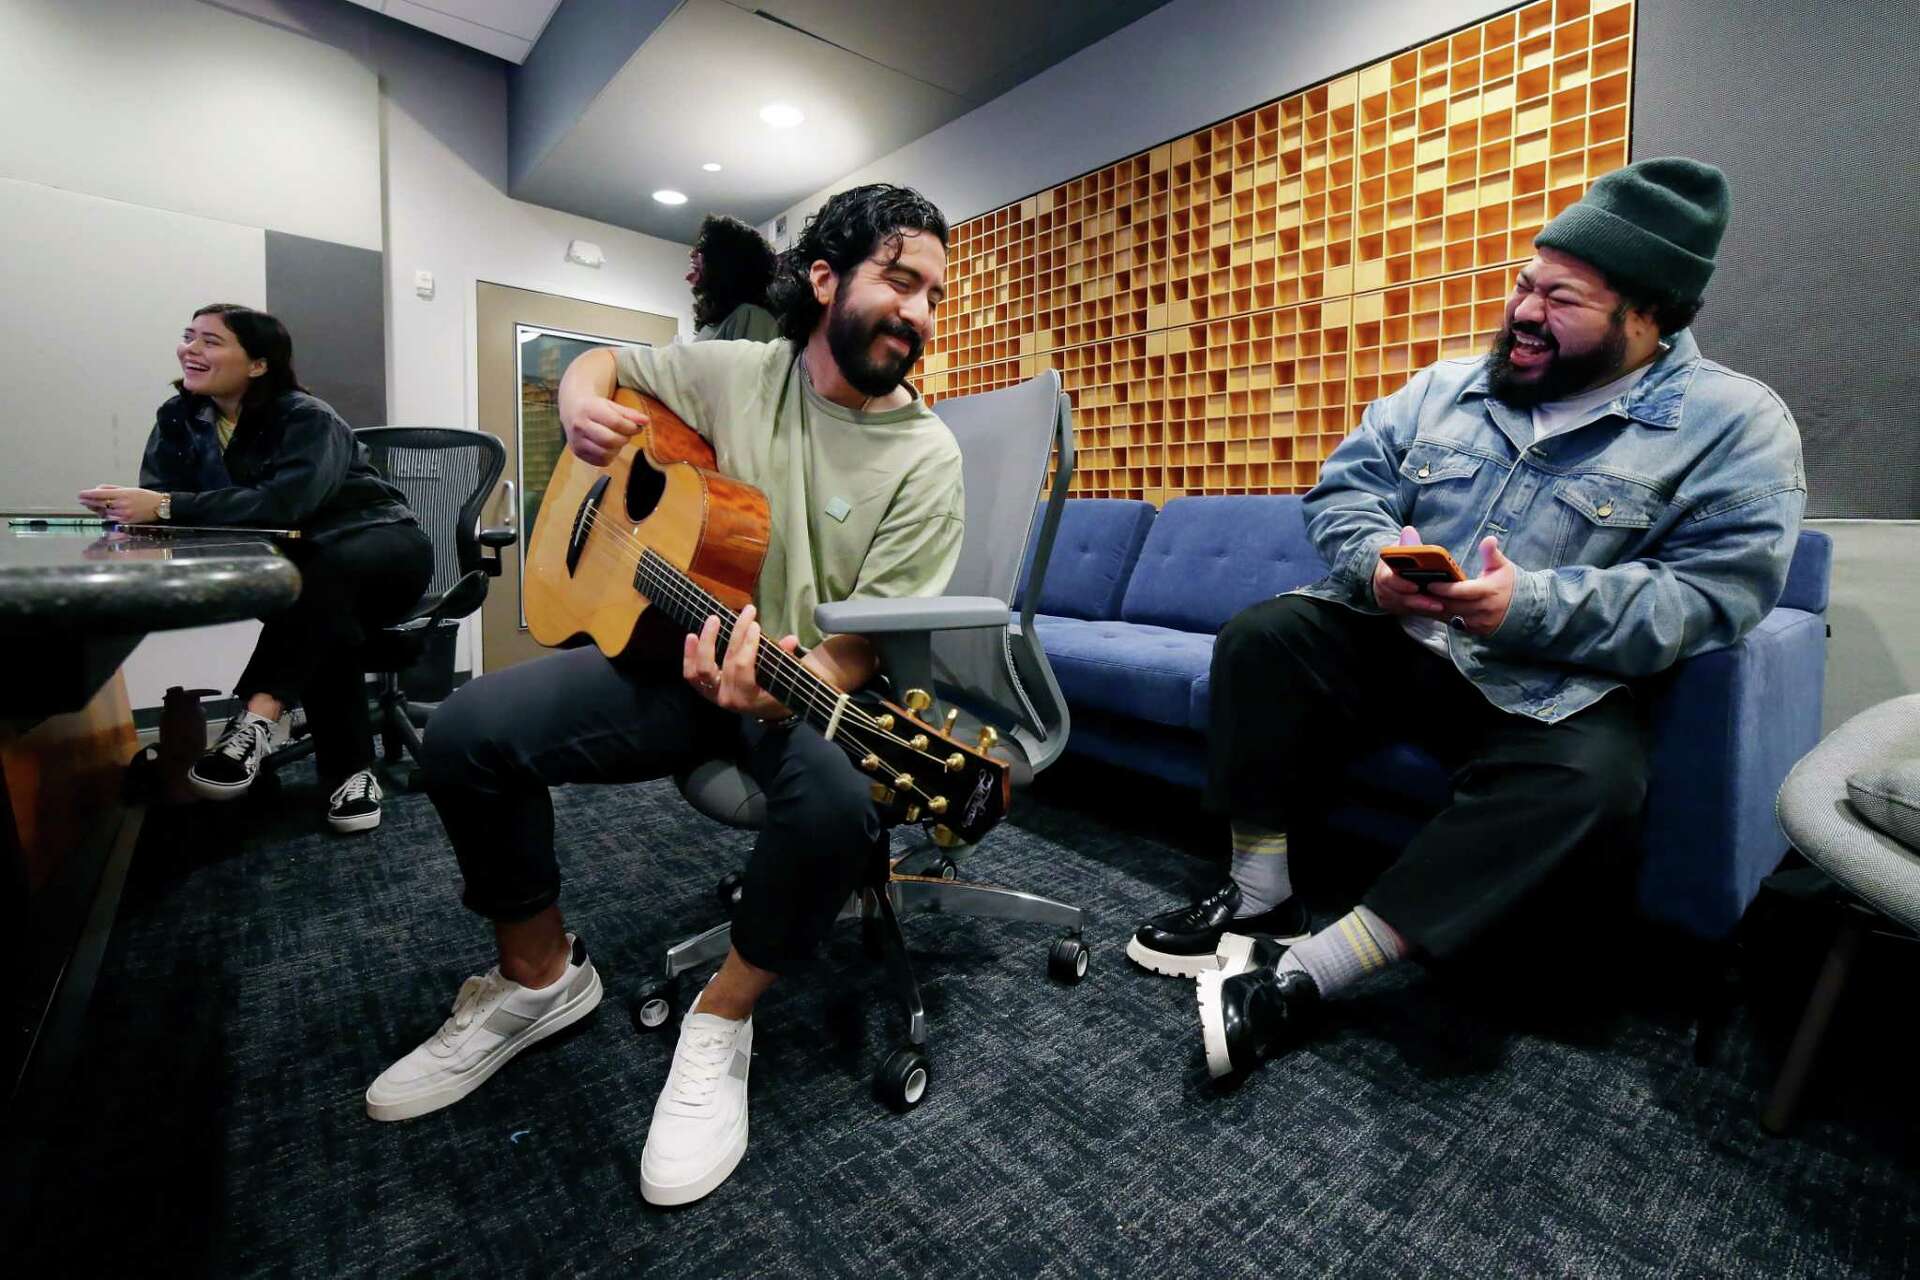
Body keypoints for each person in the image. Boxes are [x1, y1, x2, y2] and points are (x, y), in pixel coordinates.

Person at [1123, 158, 1806, 1077]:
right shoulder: (1446, 385)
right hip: (1395, 643)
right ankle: (1259, 893)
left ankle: (1306, 973)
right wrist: (1375, 569)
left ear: (1647, 317)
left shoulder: (1738, 426)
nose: (1524, 312)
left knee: (1595, 783)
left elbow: (1716, 596)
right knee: (1264, 637)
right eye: (1525, 282)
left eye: (1561, 300)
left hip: (1547, 683)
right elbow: (1343, 492)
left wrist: (1527, 603)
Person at [366, 185, 961, 1207]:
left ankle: (723, 1016)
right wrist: (579, 403)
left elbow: (865, 645)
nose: (920, 311)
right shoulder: (743, 372)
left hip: (793, 680)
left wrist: (795, 684)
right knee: (462, 732)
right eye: (900, 279)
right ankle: (538, 976)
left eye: (936, 295)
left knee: (838, 806)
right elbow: (605, 363)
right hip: (669, 658)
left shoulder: (929, 459)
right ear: (825, 281)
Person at [79, 304, 432, 833]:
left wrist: (167, 506)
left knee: (319, 576)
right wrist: (135, 511)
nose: (191, 350)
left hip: (382, 546)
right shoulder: (179, 418)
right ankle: (351, 776)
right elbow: (162, 495)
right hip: (309, 573)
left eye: (211, 341)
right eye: (188, 337)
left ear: (260, 364)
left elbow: (284, 504)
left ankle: (260, 714)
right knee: (325, 616)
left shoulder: (308, 416)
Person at [689, 213, 781, 342]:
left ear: (724, 263)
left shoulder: (752, 316)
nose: (692, 254)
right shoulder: (713, 325)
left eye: (701, 250)